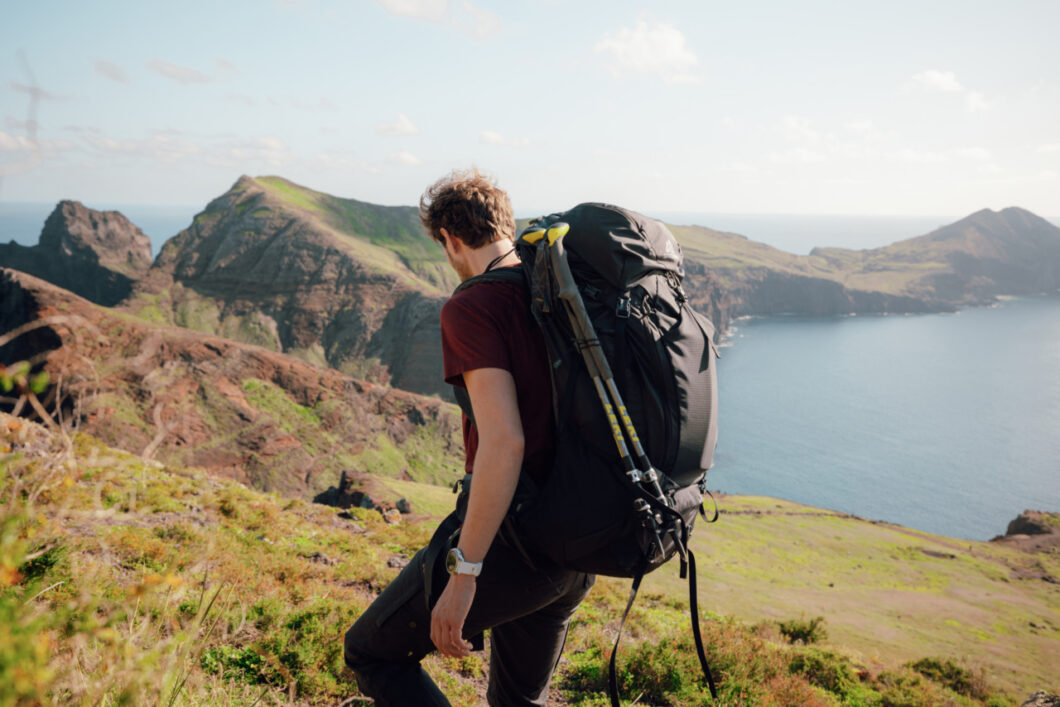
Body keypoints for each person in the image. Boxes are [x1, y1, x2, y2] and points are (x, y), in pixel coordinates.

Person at [344, 169, 595, 706]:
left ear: (451, 239)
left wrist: (465, 573)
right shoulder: (558, 292)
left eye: (445, 248)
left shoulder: (473, 305)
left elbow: (505, 444)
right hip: (576, 544)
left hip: (517, 546)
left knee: (371, 652)